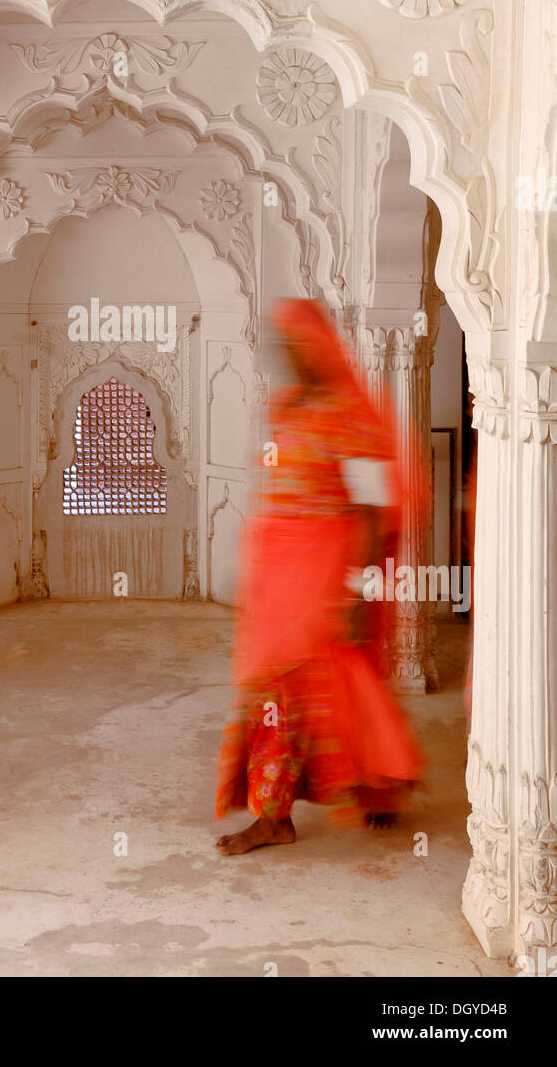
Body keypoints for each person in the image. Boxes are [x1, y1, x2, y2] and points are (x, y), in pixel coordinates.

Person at [215, 298, 426, 855]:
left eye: (299, 343)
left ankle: (280, 811)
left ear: (322, 346)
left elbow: (374, 509)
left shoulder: (347, 413)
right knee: (284, 691)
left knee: (307, 692)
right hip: (279, 579)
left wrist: (359, 589)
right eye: (283, 344)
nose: (290, 353)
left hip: (326, 576)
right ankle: (370, 785)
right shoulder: (287, 407)